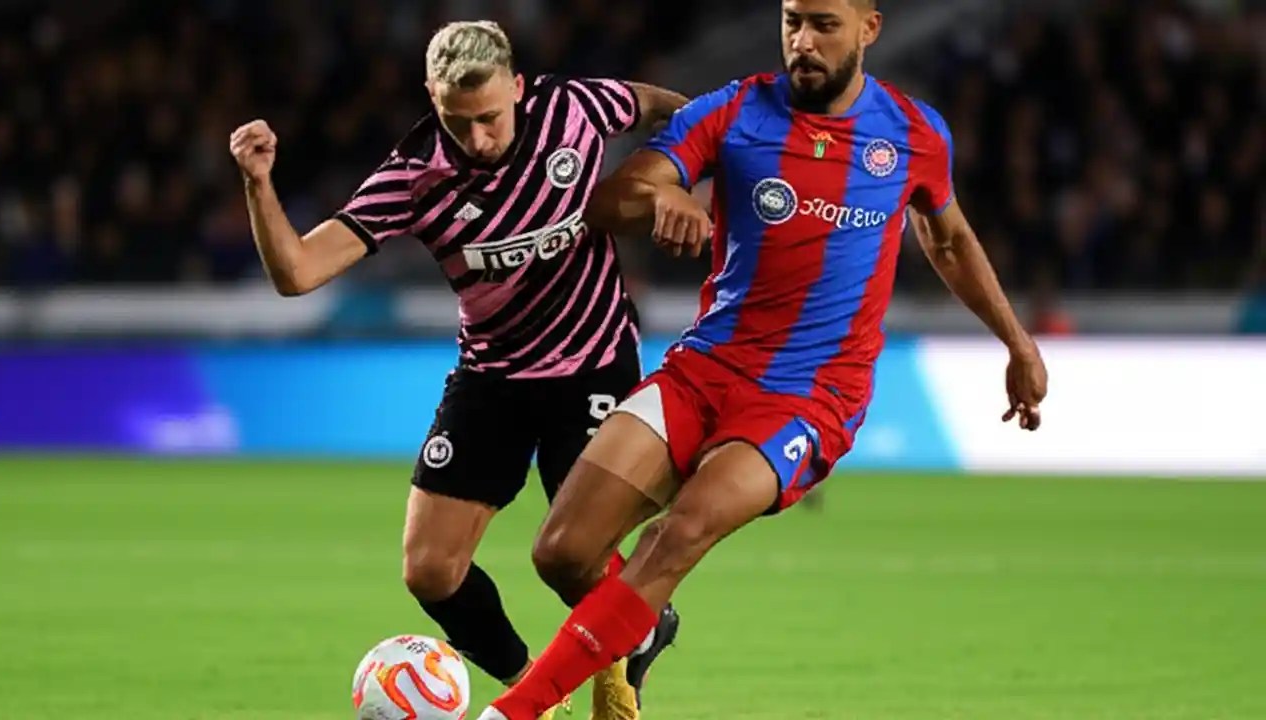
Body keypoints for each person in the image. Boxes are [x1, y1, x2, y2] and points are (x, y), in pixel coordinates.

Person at [476, 1, 1049, 718]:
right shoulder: (736, 110)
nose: (802, 42)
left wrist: (1017, 342)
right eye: (791, 22)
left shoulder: (914, 133)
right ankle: (642, 626)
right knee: (561, 552)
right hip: (704, 368)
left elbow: (950, 240)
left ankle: (514, 711)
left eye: (823, 25)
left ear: (869, 29)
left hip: (809, 396)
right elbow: (612, 199)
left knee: (682, 530)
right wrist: (663, 199)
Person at [226, 20, 689, 720]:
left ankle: (625, 654)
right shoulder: (414, 174)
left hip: (592, 365)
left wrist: (712, 152)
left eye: (489, 118)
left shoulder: (575, 108)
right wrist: (259, 184)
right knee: (430, 569)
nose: (476, 139)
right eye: (456, 120)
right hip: (493, 376)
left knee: (577, 557)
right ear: (430, 98)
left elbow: (658, 105)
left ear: (519, 87)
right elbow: (297, 272)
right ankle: (535, 682)